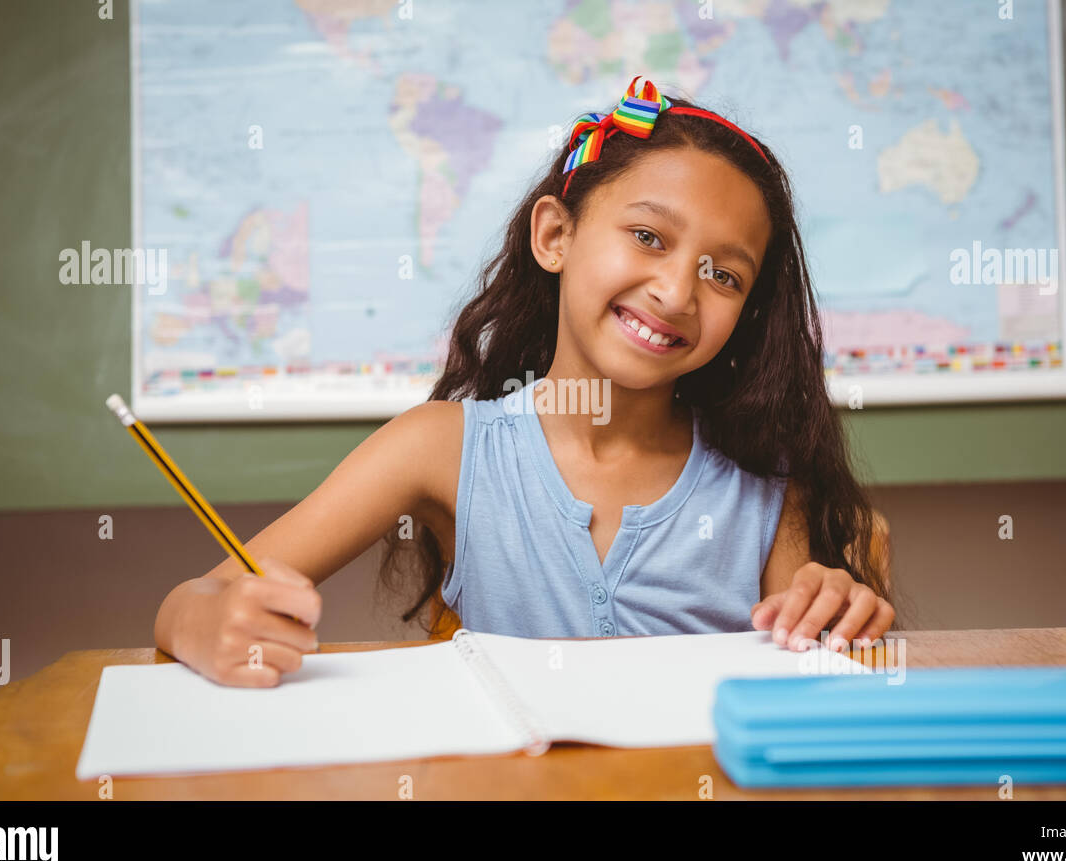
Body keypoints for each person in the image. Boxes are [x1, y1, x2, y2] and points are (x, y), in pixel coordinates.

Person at [154, 76, 897, 687]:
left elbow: (813, 676)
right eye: (647, 237)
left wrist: (833, 611)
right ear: (555, 236)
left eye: (724, 274)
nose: (677, 291)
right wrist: (205, 620)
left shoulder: (769, 487)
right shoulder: (439, 448)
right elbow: (195, 598)